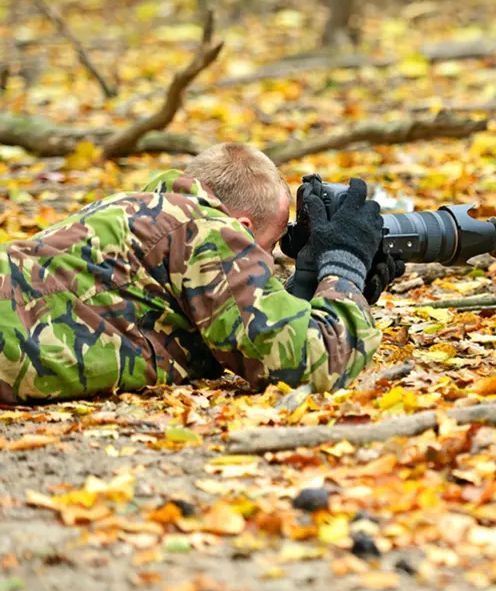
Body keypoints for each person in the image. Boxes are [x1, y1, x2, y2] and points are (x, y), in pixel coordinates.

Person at [0, 142, 400, 404]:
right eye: (270, 245)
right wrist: (345, 265)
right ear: (239, 228)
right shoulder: (204, 231)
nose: (269, 262)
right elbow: (317, 362)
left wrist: (314, 289)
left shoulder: (144, 212)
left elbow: (222, 332)